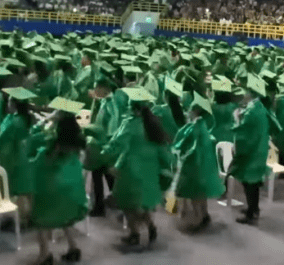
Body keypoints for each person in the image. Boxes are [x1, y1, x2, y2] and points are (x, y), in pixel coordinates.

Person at [101, 87, 173, 247]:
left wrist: (104, 151)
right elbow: (162, 148)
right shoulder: (153, 122)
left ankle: (134, 233)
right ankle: (150, 226)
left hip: (132, 170)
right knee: (143, 203)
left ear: (131, 106)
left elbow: (118, 143)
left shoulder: (130, 123)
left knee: (128, 204)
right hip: (150, 168)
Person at [30, 111, 89, 265]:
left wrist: (41, 127)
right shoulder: (78, 143)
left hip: (54, 190)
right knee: (66, 219)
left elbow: (39, 162)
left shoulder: (53, 146)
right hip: (74, 190)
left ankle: (45, 255)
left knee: (39, 220)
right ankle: (73, 248)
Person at [171, 93, 225, 232]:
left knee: (195, 196)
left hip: (195, 166)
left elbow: (189, 148)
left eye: (190, 109)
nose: (188, 112)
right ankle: (205, 215)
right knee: (202, 196)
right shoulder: (204, 126)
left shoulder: (194, 128)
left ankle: (198, 220)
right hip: (205, 166)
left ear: (195, 111)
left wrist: (182, 157)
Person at [0, 87, 36, 226]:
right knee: (27, 188)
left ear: (14, 104)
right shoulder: (27, 118)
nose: (7, 103)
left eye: (10, 101)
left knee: (17, 190)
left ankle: (21, 221)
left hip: (14, 156)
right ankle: (30, 216)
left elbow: (1, 137)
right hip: (26, 153)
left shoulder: (13, 121)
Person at [229, 74, 272, 225]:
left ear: (250, 93)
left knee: (250, 183)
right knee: (251, 182)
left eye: (245, 92)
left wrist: (236, 118)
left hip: (252, 151)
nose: (243, 95)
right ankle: (253, 208)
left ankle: (251, 213)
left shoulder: (253, 111)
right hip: (258, 148)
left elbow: (243, 130)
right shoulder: (258, 107)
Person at [85, 73, 121, 217]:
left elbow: (111, 127)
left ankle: (100, 207)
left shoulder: (110, 104)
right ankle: (113, 201)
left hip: (103, 145)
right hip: (101, 144)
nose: (95, 92)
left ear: (104, 88)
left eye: (97, 89)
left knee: (99, 175)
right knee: (104, 174)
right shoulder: (106, 101)